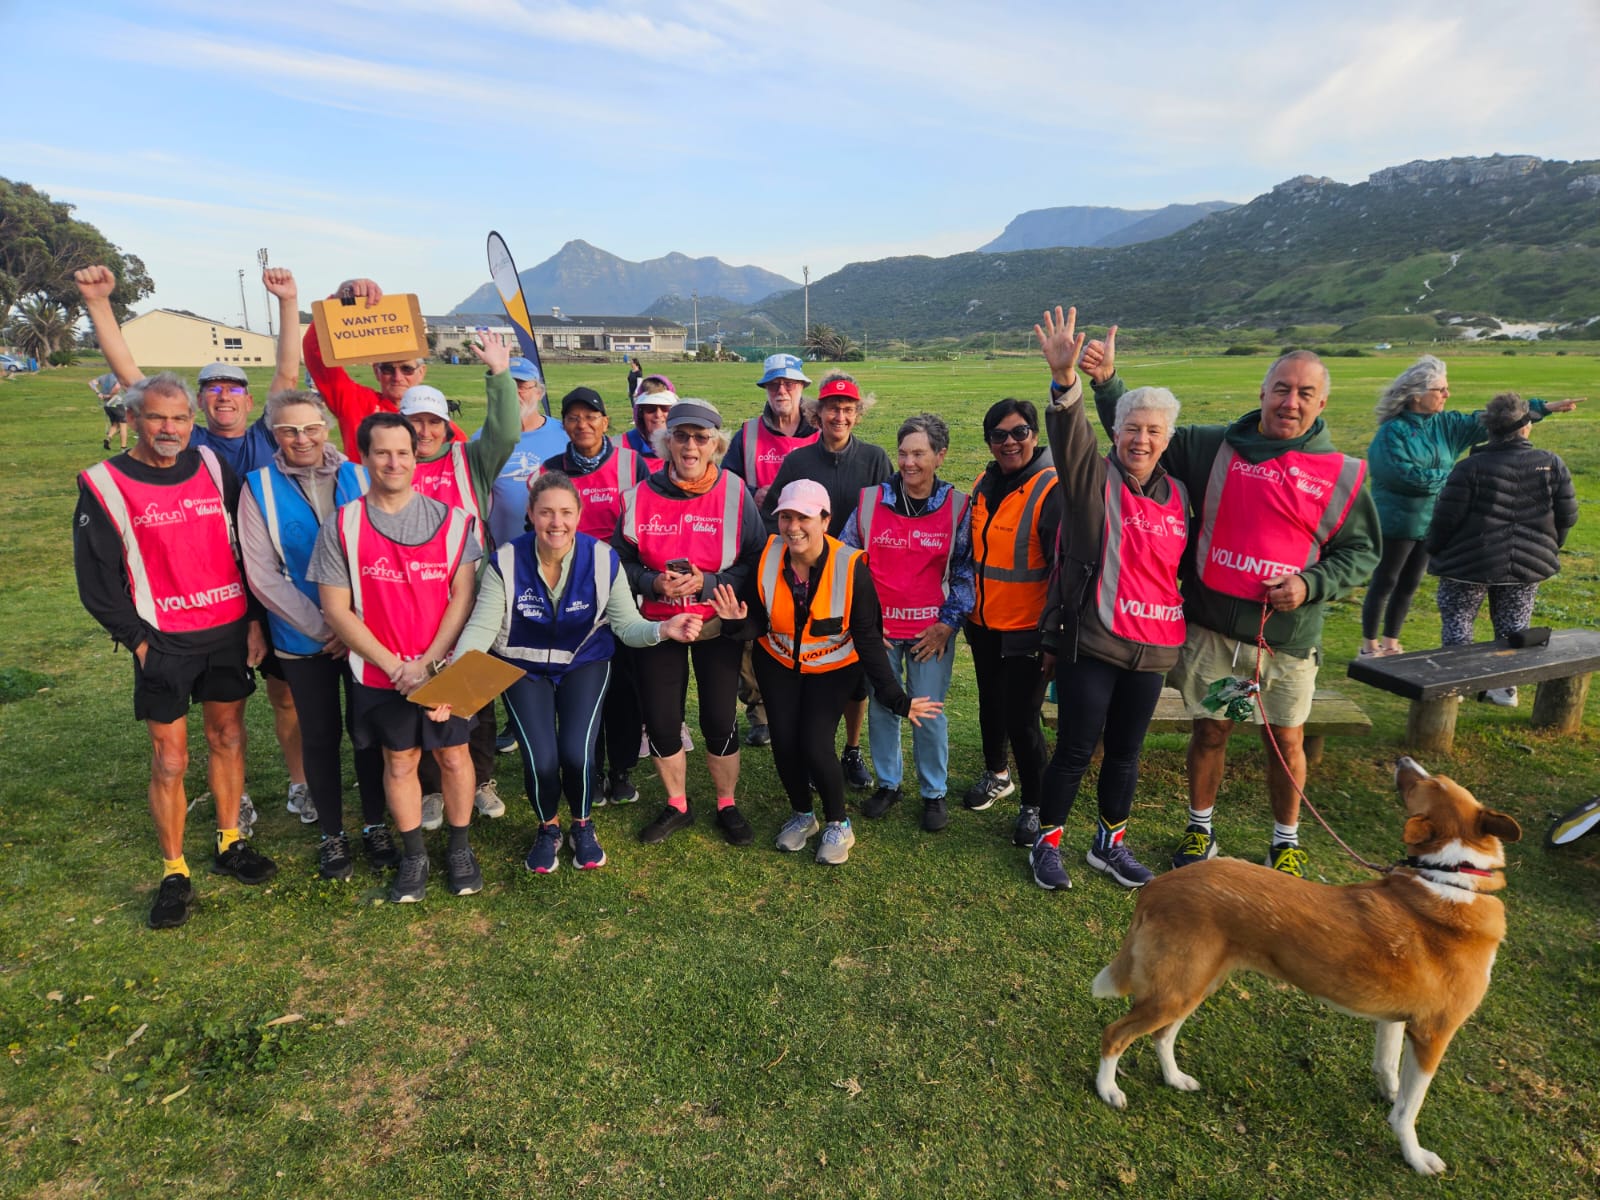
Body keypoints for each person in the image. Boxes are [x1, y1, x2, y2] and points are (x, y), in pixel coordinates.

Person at [1088, 335, 1380, 878]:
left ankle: (1285, 840)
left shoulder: (1343, 472)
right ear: (1263, 392)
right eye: (1281, 389)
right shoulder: (1214, 446)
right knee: (1211, 730)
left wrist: (1311, 584)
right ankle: (1200, 829)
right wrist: (1108, 382)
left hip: (1287, 638)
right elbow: (1143, 436)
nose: (1290, 402)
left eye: (1305, 393)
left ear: (1322, 404)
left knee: (1285, 738)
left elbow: (1362, 552)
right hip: (1214, 630)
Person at [77, 263, 310, 833]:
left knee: (284, 698)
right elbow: (132, 376)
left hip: (267, 583)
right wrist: (100, 306)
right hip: (202, 589)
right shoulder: (191, 442)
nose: (224, 397)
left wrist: (287, 301)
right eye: (212, 390)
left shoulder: (264, 433)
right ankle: (238, 800)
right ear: (197, 406)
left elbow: (286, 369)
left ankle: (300, 783)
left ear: (249, 399)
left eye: (234, 389)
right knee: (222, 719)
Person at [74, 371, 277, 929]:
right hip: (161, 641)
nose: (170, 428)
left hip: (227, 630)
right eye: (158, 417)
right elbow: (96, 581)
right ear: (134, 418)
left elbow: (250, 545)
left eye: (181, 418)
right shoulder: (104, 482)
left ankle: (231, 840)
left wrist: (255, 620)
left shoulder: (213, 466)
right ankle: (174, 871)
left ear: (194, 422)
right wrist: (137, 642)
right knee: (170, 760)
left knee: (229, 737)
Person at [454, 472, 702, 873]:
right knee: (541, 759)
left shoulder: (602, 559)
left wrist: (663, 629)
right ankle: (548, 828)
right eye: (547, 512)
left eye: (566, 513)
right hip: (522, 665)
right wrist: (455, 684)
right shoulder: (505, 561)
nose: (557, 522)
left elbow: (626, 627)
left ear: (579, 515)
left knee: (576, 752)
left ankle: (582, 824)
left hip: (583, 662)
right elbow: (482, 628)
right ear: (531, 514)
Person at [1033, 307, 1187, 891]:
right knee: (1076, 748)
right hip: (1093, 642)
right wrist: (1067, 381)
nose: (1141, 439)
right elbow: (1071, 439)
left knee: (1126, 752)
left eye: (1153, 431)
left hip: (1154, 650)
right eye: (1132, 428)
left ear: (1167, 439)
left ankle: (1109, 845)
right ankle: (1049, 842)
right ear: (1116, 432)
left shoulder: (1180, 495)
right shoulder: (1090, 480)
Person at [711, 480, 943, 865]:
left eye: (803, 517)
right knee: (784, 743)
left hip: (832, 668)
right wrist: (738, 622)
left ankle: (839, 823)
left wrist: (897, 699)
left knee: (815, 743)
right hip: (779, 662)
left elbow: (869, 640)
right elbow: (759, 622)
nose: (793, 527)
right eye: (786, 517)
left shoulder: (852, 567)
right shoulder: (768, 555)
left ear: (825, 519)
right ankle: (803, 815)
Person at [309, 412, 483, 903]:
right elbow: (336, 609)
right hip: (379, 674)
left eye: (403, 452)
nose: (394, 461)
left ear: (416, 456)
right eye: (382, 452)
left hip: (443, 669)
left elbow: (461, 598)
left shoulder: (452, 522)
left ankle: (460, 848)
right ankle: (413, 855)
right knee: (400, 760)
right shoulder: (342, 524)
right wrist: (394, 666)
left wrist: (428, 664)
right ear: (363, 458)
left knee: (454, 755)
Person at [239, 389, 399, 881]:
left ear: (326, 428)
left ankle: (375, 824)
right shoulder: (257, 486)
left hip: (366, 634)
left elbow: (383, 550)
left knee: (368, 734)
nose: (300, 438)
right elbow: (262, 574)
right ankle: (332, 833)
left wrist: (353, 628)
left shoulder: (357, 473)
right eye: (288, 430)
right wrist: (327, 626)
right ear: (274, 434)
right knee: (321, 734)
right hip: (302, 638)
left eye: (310, 427)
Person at [614, 399, 766, 846]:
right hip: (659, 626)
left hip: (716, 624)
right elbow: (618, 561)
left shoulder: (735, 493)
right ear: (667, 441)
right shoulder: (638, 496)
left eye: (701, 438)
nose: (691, 446)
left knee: (720, 718)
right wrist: (652, 582)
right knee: (662, 721)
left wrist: (711, 582)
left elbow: (756, 559)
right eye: (681, 436)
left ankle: (727, 803)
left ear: (715, 444)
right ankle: (677, 804)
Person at [1363, 356, 1579, 657]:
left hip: (1434, 518)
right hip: (1398, 521)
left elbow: (1495, 420)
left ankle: (1391, 642)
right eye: (1440, 389)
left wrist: (1543, 408)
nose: (1447, 395)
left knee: (1410, 584)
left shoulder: (1447, 424)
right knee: (1386, 580)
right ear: (1416, 395)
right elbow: (1403, 476)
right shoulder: (1392, 432)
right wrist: (1456, 478)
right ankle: (1369, 644)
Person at [398, 334, 519, 826]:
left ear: (446, 425)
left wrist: (499, 375)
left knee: (473, 689)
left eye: (433, 422)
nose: (424, 432)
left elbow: (506, 432)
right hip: (411, 600)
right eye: (415, 423)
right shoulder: (387, 465)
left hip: (471, 597)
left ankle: (481, 777)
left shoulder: (469, 461)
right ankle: (429, 786)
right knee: (418, 691)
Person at [841, 413, 973, 833]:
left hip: (930, 633)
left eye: (919, 453)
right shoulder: (868, 502)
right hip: (878, 631)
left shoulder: (957, 506)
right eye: (903, 453)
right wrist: (863, 622)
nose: (908, 462)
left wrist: (947, 625)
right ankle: (888, 784)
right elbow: (846, 561)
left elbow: (968, 573)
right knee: (883, 707)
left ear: (940, 456)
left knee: (928, 713)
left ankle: (933, 793)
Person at [762, 373, 891, 787]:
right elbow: (773, 516)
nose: (840, 415)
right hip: (802, 582)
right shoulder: (798, 460)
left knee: (854, 680)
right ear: (817, 413)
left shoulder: (874, 458)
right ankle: (814, 751)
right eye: (832, 408)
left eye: (848, 409)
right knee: (810, 670)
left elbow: (887, 518)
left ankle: (850, 751)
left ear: (858, 414)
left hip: (854, 581)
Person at [1426, 391, 1578, 706]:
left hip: (1468, 563)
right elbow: (1567, 516)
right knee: (1514, 624)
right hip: (1528, 563)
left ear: (1490, 428)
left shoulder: (1470, 467)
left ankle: (1455, 687)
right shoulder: (1551, 464)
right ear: (1525, 427)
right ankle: (1505, 689)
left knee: (1458, 617)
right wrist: (1550, 547)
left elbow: (1445, 519)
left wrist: (1435, 550)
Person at [540, 387, 651, 803]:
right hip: (569, 596)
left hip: (621, 592)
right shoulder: (551, 471)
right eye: (573, 417)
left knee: (624, 685)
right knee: (581, 686)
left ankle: (621, 769)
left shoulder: (632, 464)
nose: (582, 424)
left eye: (591, 416)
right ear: (563, 424)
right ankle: (592, 767)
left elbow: (648, 522)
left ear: (606, 422)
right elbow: (540, 530)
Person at [963, 395, 1061, 847]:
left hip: (1028, 630)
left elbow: (1063, 568)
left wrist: (1054, 635)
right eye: (999, 435)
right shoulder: (987, 481)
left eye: (1019, 432)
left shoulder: (1050, 487)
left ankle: (1035, 805)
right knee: (991, 706)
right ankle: (997, 775)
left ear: (1035, 436)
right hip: (984, 622)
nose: (1009, 442)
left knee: (1023, 719)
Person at [725, 353, 822, 746]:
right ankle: (760, 710)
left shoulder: (819, 432)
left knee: (806, 622)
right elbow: (724, 486)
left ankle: (807, 701)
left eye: (790, 384)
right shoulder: (747, 434)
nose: (782, 390)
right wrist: (753, 493)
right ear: (765, 389)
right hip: (757, 547)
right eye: (774, 384)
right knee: (751, 630)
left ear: (802, 388)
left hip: (809, 550)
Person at [301, 277, 464, 463]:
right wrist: (339, 300)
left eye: (407, 369)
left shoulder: (436, 424)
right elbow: (316, 354)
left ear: (422, 372)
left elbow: (467, 471)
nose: (397, 377)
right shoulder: (355, 402)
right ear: (376, 371)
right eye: (388, 369)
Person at [615, 375, 677, 464]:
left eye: (665, 408)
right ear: (640, 413)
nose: (658, 415)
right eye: (650, 408)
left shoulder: (685, 447)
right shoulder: (617, 447)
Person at [92, 370, 127, 452]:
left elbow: (91, 383)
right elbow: (117, 387)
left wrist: (98, 393)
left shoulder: (103, 377)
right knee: (123, 425)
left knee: (115, 423)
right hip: (117, 404)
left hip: (107, 405)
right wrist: (110, 395)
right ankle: (123, 448)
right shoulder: (119, 377)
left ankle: (108, 439)